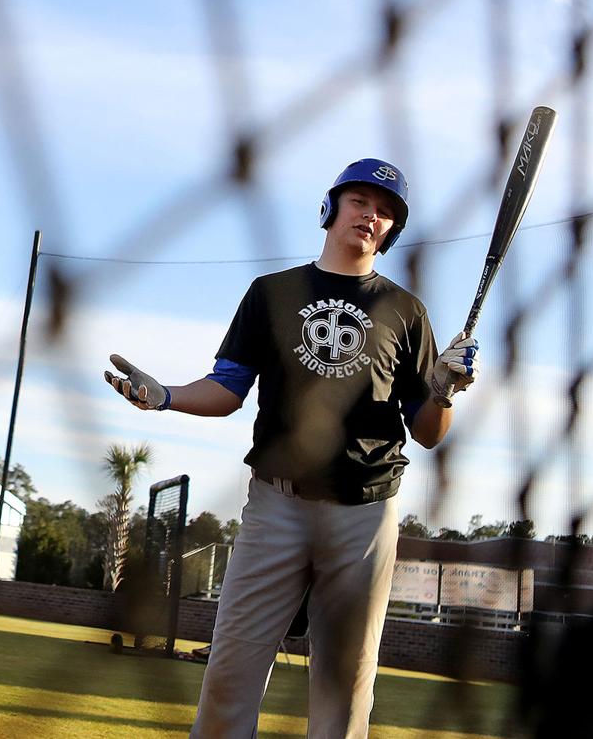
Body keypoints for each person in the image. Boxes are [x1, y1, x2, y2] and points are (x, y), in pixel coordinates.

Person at [103, 158, 478, 739]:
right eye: (360, 202)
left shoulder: (406, 312)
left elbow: (428, 431)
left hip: (365, 509)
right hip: (277, 503)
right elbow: (228, 388)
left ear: (391, 231)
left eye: (385, 212)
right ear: (331, 208)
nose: (371, 216)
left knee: (347, 684)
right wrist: (166, 397)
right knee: (231, 669)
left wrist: (443, 391)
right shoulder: (272, 293)